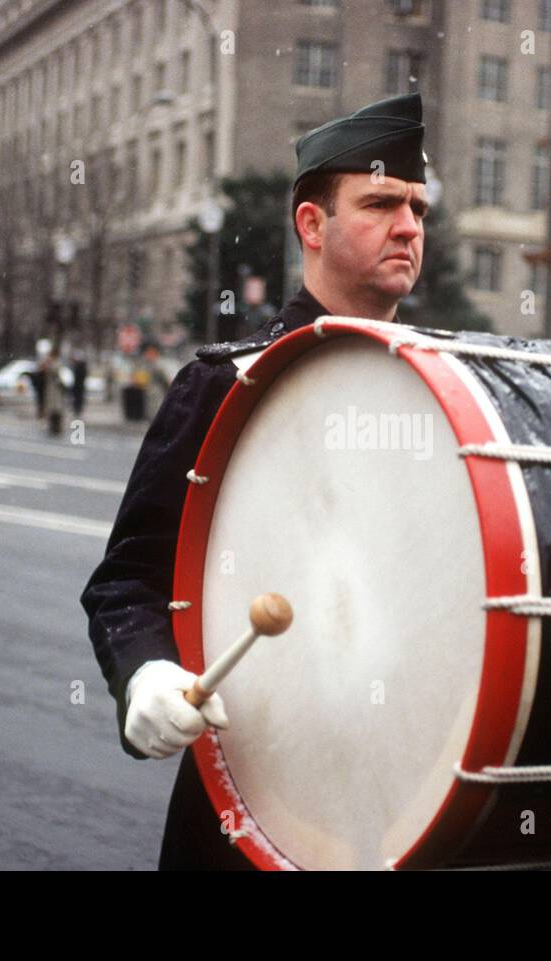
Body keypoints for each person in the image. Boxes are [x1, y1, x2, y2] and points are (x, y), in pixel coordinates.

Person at [81, 92, 430, 870]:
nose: (409, 226)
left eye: (416, 207)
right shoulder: (226, 385)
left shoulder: (447, 395)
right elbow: (127, 580)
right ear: (312, 224)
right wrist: (144, 673)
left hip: (410, 804)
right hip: (255, 806)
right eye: (379, 204)